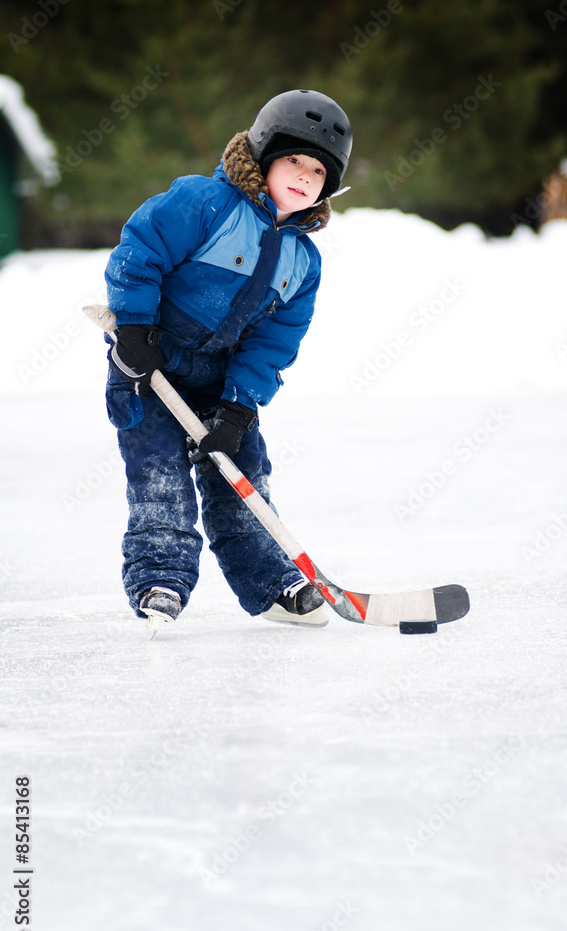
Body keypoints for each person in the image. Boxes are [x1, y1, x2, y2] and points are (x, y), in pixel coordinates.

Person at [104, 89, 352, 629]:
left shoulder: (302, 260)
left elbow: (275, 342)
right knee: (159, 476)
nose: (305, 177)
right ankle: (160, 582)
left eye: (318, 171)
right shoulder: (203, 204)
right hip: (148, 366)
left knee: (243, 477)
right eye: (293, 160)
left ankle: (274, 584)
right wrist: (135, 330)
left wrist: (239, 406)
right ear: (263, 153)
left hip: (219, 380)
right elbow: (138, 251)